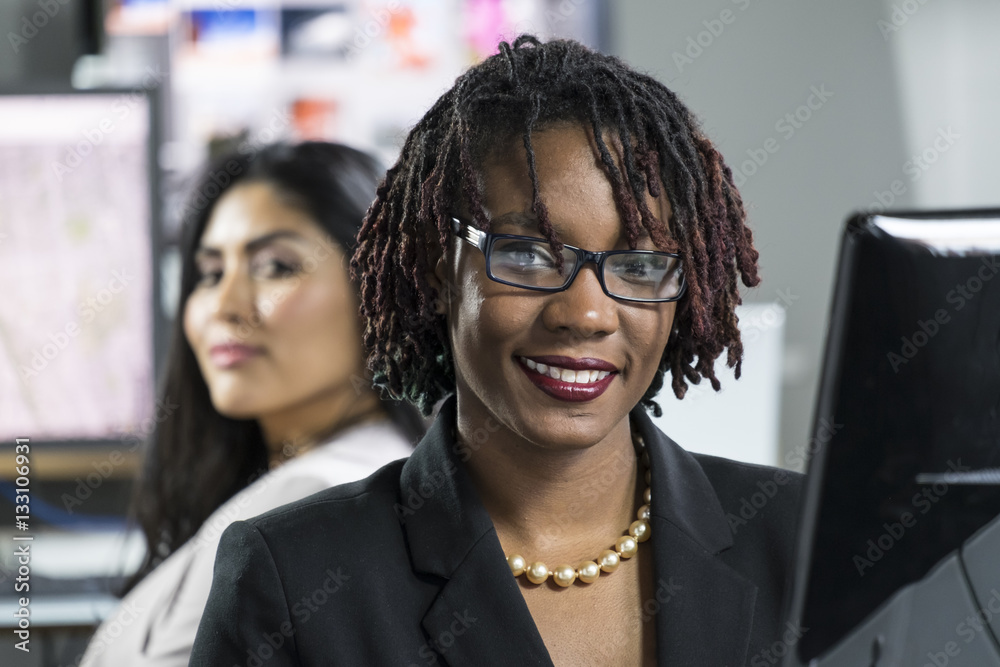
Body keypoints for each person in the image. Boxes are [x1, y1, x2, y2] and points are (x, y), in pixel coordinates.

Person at [191, 37, 803, 666]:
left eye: (640, 264)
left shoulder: (806, 539)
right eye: (529, 255)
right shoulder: (293, 580)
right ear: (438, 267)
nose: (587, 314)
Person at [81, 142, 424, 666]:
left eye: (276, 266)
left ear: (378, 287)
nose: (225, 304)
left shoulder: (311, 496)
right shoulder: (381, 468)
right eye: (211, 273)